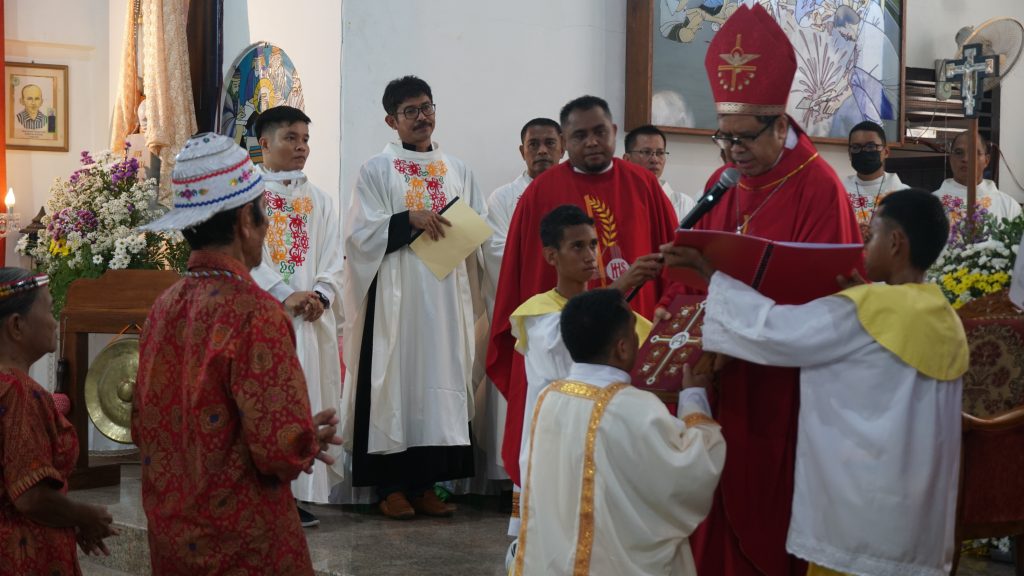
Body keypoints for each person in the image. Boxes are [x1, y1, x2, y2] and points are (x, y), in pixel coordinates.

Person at [661, 188, 967, 576]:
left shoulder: (870, 310)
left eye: (871, 236)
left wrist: (710, 274)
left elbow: (775, 332)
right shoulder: (943, 316)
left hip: (859, 520)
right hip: (918, 521)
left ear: (895, 242)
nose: (863, 247)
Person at [656, 6, 861, 576]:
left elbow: (830, 307)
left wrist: (728, 311)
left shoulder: (819, 190)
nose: (732, 152)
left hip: (781, 390)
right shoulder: (719, 184)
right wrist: (673, 309)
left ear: (779, 124)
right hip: (715, 381)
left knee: (768, 518)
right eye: (723, 138)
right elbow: (687, 279)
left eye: (743, 138)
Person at [133, 133, 341, 575]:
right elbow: (279, 449)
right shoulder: (256, 314)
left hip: (174, 534)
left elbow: (141, 424)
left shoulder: (163, 307)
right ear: (247, 220)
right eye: (264, 216)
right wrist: (306, 439)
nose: (265, 230)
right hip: (243, 541)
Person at [488, 94, 678, 490]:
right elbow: (520, 276)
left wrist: (667, 308)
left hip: (633, 338)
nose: (591, 142)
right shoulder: (540, 192)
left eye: (599, 132)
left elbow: (674, 265)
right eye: (579, 135)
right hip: (562, 351)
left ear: (614, 132)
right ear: (565, 141)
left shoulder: (644, 186)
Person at [340, 75, 482, 520]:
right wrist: (407, 219)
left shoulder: (457, 169)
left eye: (427, 107)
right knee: (395, 384)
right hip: (396, 299)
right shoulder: (377, 170)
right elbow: (359, 234)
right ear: (391, 120)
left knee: (438, 384)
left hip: (446, 296)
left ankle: (425, 486)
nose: (422, 117)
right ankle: (391, 488)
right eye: (411, 111)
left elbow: (475, 225)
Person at [512, 288, 725, 576]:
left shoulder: (547, 398)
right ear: (622, 348)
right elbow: (688, 476)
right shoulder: (634, 407)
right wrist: (694, 397)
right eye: (635, 332)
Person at [504, 204, 660, 540]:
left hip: (604, 442)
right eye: (577, 246)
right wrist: (619, 287)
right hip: (557, 445)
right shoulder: (539, 315)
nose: (590, 255)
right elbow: (568, 342)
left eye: (593, 245)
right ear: (551, 256)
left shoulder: (614, 314)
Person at [250, 105, 345, 528]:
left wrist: (321, 295)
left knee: (307, 400)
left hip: (311, 322)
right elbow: (249, 255)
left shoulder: (320, 200)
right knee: (271, 401)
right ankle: (269, 492)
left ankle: (300, 493)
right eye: (291, 138)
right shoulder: (249, 196)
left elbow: (333, 256)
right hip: (269, 319)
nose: (301, 147)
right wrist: (285, 294)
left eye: (305, 139)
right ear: (264, 143)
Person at [0, 269, 118, 575]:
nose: (55, 322)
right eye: (50, 310)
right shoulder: (20, 393)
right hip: (22, 555)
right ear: (17, 325)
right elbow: (30, 497)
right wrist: (84, 515)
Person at [934, 131, 1022, 222]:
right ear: (950, 159)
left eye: (974, 153)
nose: (966, 159)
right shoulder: (930, 204)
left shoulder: (1009, 206)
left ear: (986, 160)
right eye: (959, 152)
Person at [843, 120, 908, 238]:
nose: (863, 152)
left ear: (886, 152)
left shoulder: (904, 195)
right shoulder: (838, 192)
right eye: (856, 147)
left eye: (871, 146)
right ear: (849, 154)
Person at [623, 124, 696, 222]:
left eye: (660, 153)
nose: (655, 160)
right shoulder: (618, 200)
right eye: (646, 152)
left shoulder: (684, 204)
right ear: (627, 159)